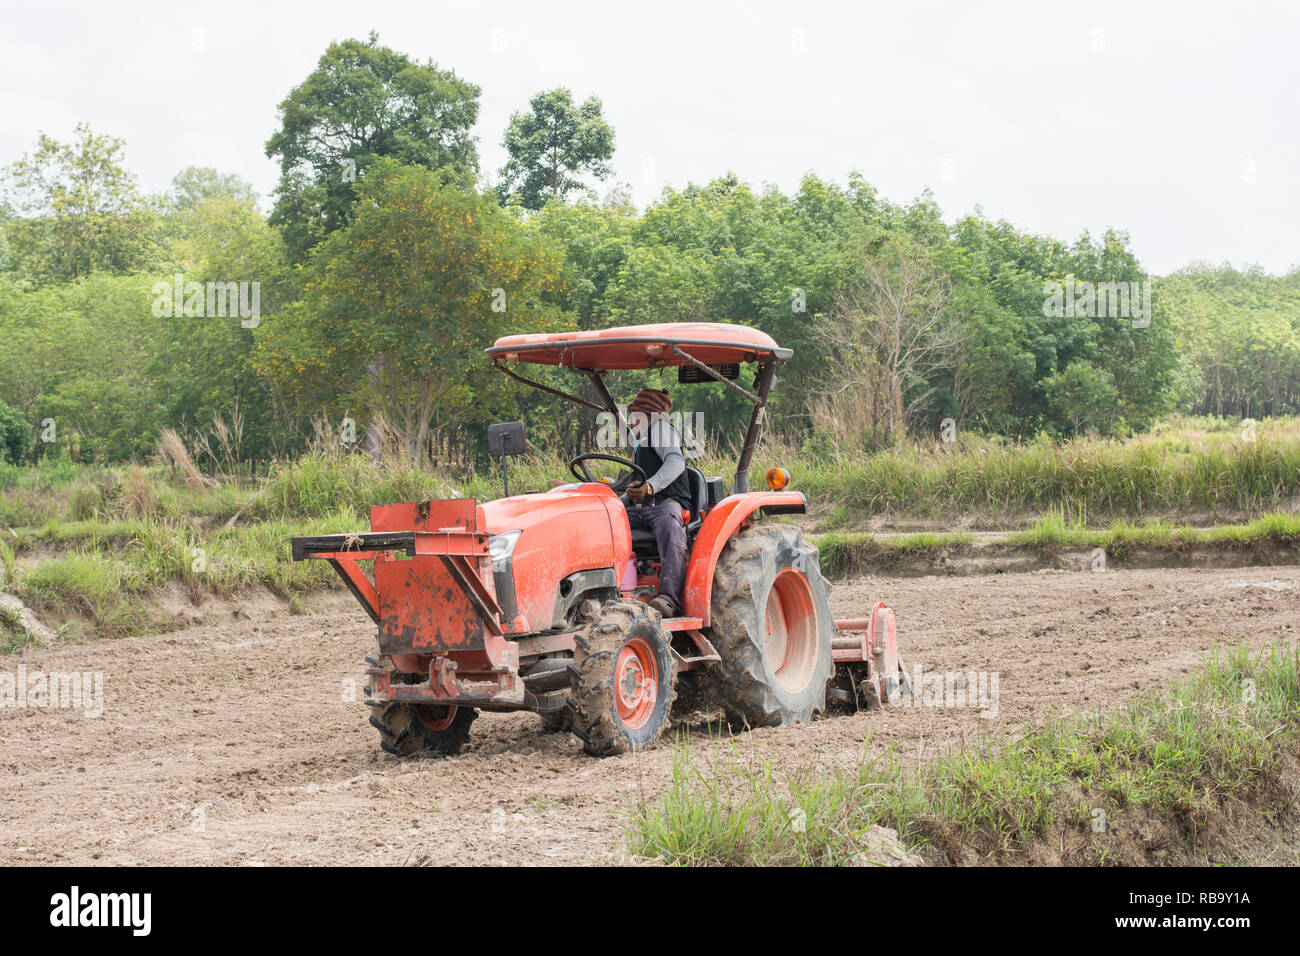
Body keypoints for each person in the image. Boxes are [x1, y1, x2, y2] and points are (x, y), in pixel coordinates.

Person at [621, 388, 691, 618]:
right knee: (605, 524)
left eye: (635, 415)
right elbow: (634, 488)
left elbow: (676, 462)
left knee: (671, 527)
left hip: (665, 503)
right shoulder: (642, 442)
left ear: (648, 414)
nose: (632, 421)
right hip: (640, 508)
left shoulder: (660, 430)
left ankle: (667, 598)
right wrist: (613, 503)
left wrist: (649, 487)